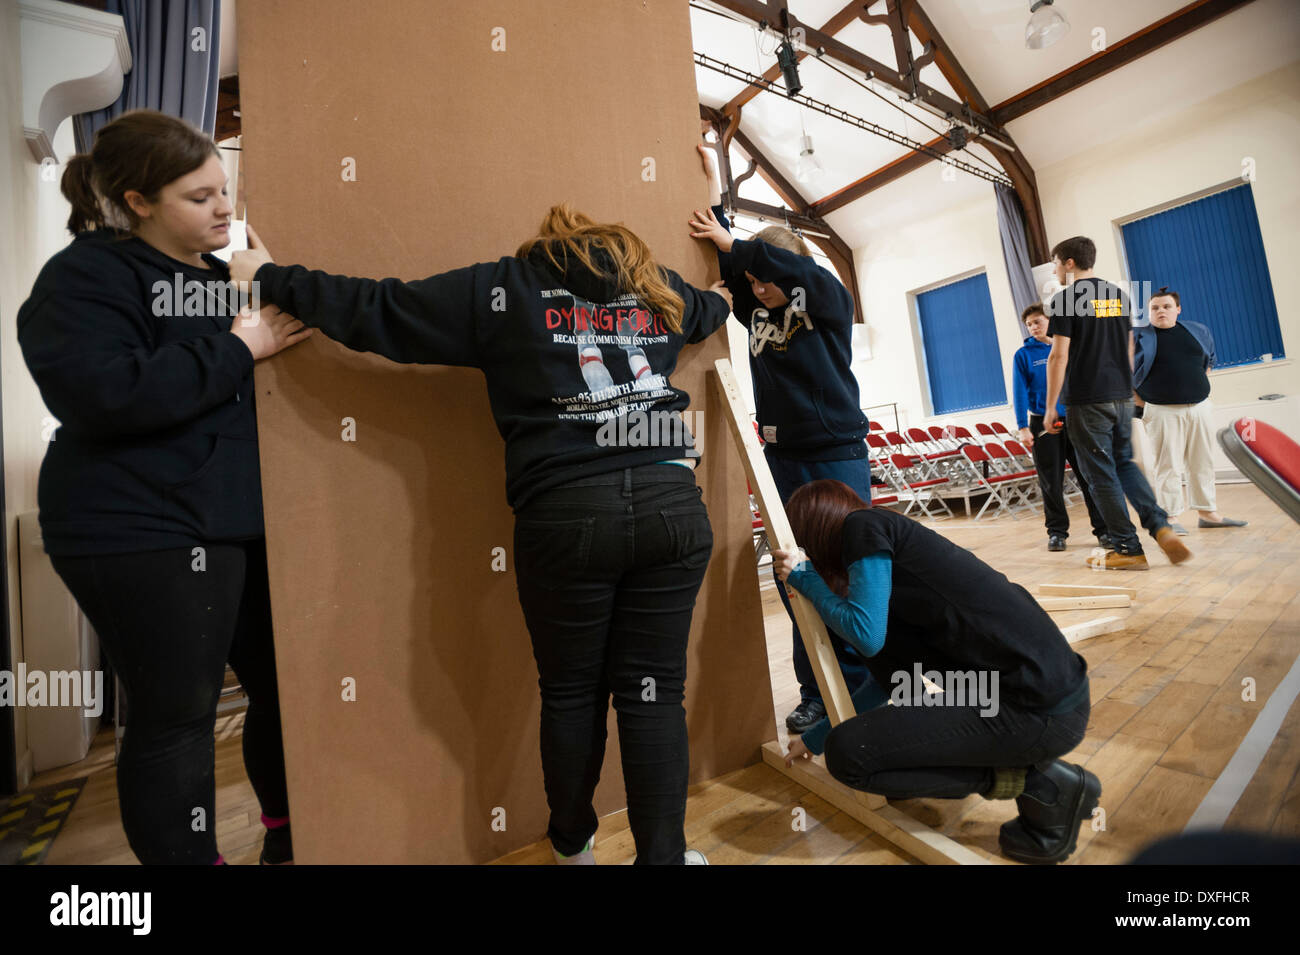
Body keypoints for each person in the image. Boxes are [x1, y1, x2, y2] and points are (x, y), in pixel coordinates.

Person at [228, 203, 731, 865]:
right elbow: (711, 307)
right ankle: (663, 858)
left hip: (568, 508)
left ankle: (573, 846)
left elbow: (380, 308)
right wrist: (724, 290)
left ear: (547, 248)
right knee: (653, 689)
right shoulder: (656, 287)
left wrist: (271, 275)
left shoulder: (507, 287)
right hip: (671, 500)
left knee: (572, 692)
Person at [17, 110, 312, 864]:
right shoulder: (83, 277)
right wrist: (242, 342)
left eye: (225, 191)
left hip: (235, 523)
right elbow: (107, 394)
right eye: (198, 196)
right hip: (139, 529)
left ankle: (288, 839)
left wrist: (263, 291)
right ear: (138, 200)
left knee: (282, 690)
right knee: (176, 715)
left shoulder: (222, 283)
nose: (223, 208)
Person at [773, 479, 1101, 865]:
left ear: (816, 534)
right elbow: (887, 685)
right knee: (863, 749)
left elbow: (865, 633)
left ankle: (1043, 784)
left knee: (849, 756)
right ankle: (1038, 775)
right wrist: (814, 739)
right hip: (1031, 700)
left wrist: (804, 578)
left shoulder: (863, 526)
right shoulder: (895, 589)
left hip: (1039, 709)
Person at [689, 143, 874, 736]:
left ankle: (862, 693)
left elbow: (795, 271)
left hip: (835, 452)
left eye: (768, 281)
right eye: (752, 282)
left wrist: (747, 250)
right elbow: (720, 245)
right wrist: (715, 179)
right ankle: (816, 692)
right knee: (794, 571)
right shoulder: (757, 304)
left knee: (840, 569)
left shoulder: (827, 300)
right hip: (782, 457)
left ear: (792, 277)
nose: (757, 291)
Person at [1042, 236, 1191, 571]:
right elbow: (1127, 351)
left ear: (1068, 263)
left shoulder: (1066, 298)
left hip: (1086, 398)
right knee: (1124, 464)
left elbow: (1058, 355)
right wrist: (1128, 391)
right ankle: (1160, 525)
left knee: (1100, 475)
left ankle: (1127, 548)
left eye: (1055, 262)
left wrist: (1051, 407)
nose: (1053, 268)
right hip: (1121, 396)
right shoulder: (1118, 296)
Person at [1133, 287, 1246, 534]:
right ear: (1149, 312)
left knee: (1202, 461)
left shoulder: (1198, 330)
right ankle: (1170, 517)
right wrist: (1144, 405)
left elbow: (1209, 361)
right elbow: (1122, 372)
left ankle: (1208, 513)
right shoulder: (1137, 337)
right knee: (1168, 465)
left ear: (1178, 309)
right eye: (1155, 308)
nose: (1160, 311)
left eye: (1166, 306)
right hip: (1162, 410)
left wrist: (1199, 387)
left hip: (1200, 407)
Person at [1013, 303, 1109, 551]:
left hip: (1076, 418)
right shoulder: (1023, 355)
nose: (1034, 327)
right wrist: (1023, 426)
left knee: (1089, 477)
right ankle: (1057, 533)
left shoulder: (1068, 346)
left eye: (1038, 321)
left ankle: (1103, 531)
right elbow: (1019, 391)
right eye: (1030, 324)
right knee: (1050, 481)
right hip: (1041, 423)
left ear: (1050, 321)